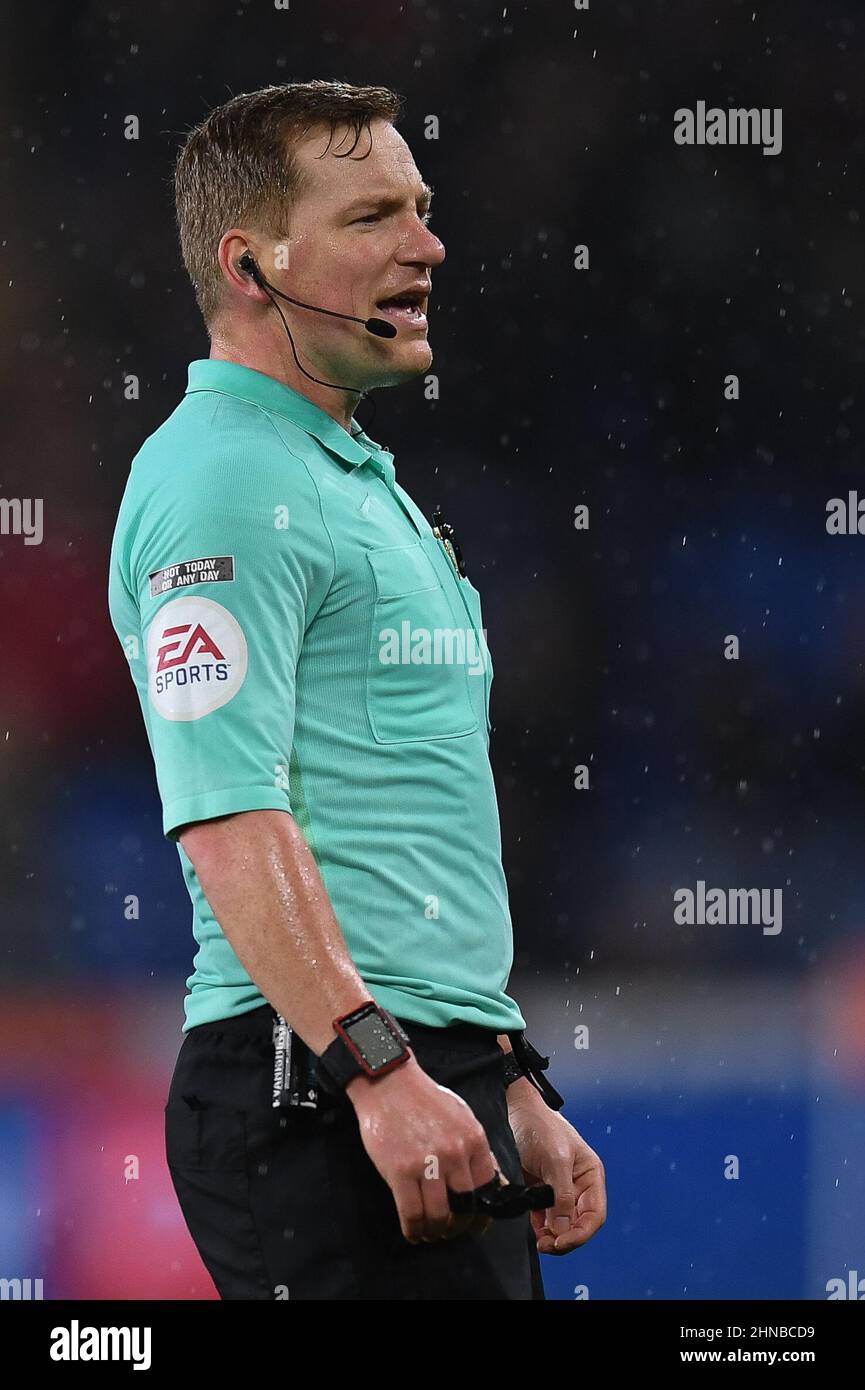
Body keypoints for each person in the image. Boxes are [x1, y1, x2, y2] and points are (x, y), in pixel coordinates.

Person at [108, 79, 606, 1300]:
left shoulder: (347, 476)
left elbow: (395, 826)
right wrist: (380, 1072)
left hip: (410, 1072)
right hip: (317, 1085)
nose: (427, 245)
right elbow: (229, 815)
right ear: (250, 264)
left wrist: (504, 1074)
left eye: (423, 208)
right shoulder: (220, 480)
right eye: (375, 215)